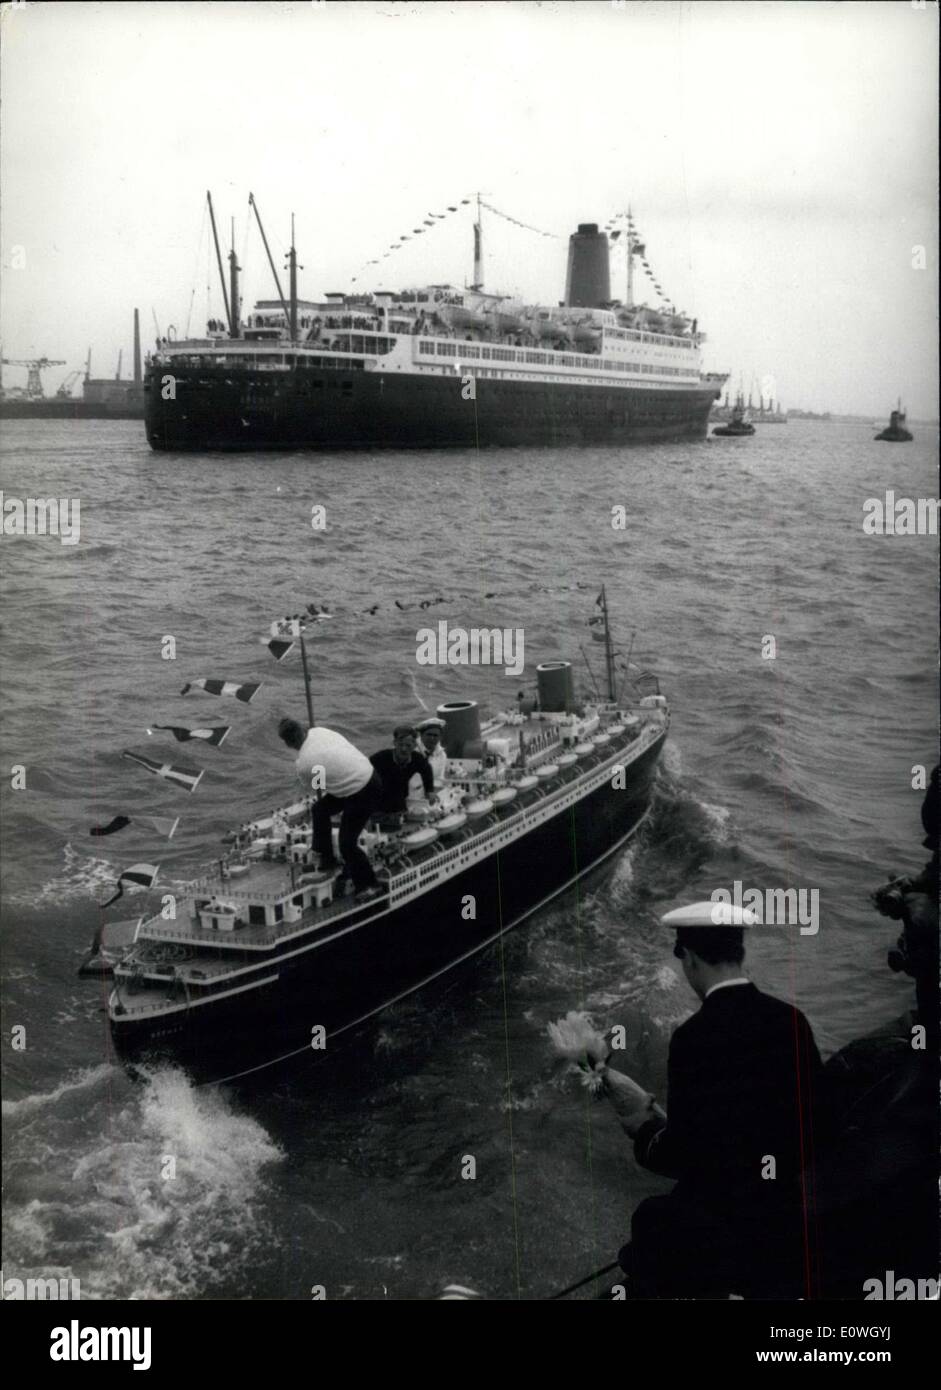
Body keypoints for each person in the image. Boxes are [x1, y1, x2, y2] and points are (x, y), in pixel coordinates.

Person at [604, 901, 825, 1298]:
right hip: (784, 1217)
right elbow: (816, 1126)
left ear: (688, 958)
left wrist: (645, 1128)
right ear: (741, 951)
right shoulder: (792, 1020)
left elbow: (685, 1154)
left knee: (651, 1224)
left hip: (720, 1228)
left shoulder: (695, 1037)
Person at [277, 717, 383, 897]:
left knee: (347, 844)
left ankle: (369, 885)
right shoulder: (319, 731)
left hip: (362, 792)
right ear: (303, 728)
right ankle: (327, 858)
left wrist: (312, 767)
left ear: (288, 744)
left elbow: (318, 785)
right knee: (320, 809)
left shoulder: (304, 764)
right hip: (369, 775)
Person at [370, 726, 437, 815]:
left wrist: (430, 790)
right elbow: (364, 773)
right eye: (400, 744)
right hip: (377, 800)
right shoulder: (379, 758)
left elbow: (427, 771)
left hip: (399, 799)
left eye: (408, 745)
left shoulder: (418, 759)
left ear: (414, 745)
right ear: (394, 743)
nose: (404, 749)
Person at [412, 717, 448, 794]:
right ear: (421, 735)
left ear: (440, 737)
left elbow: (439, 779)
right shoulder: (412, 752)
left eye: (435, 735)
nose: (432, 738)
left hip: (432, 793)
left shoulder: (441, 755)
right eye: (429, 735)